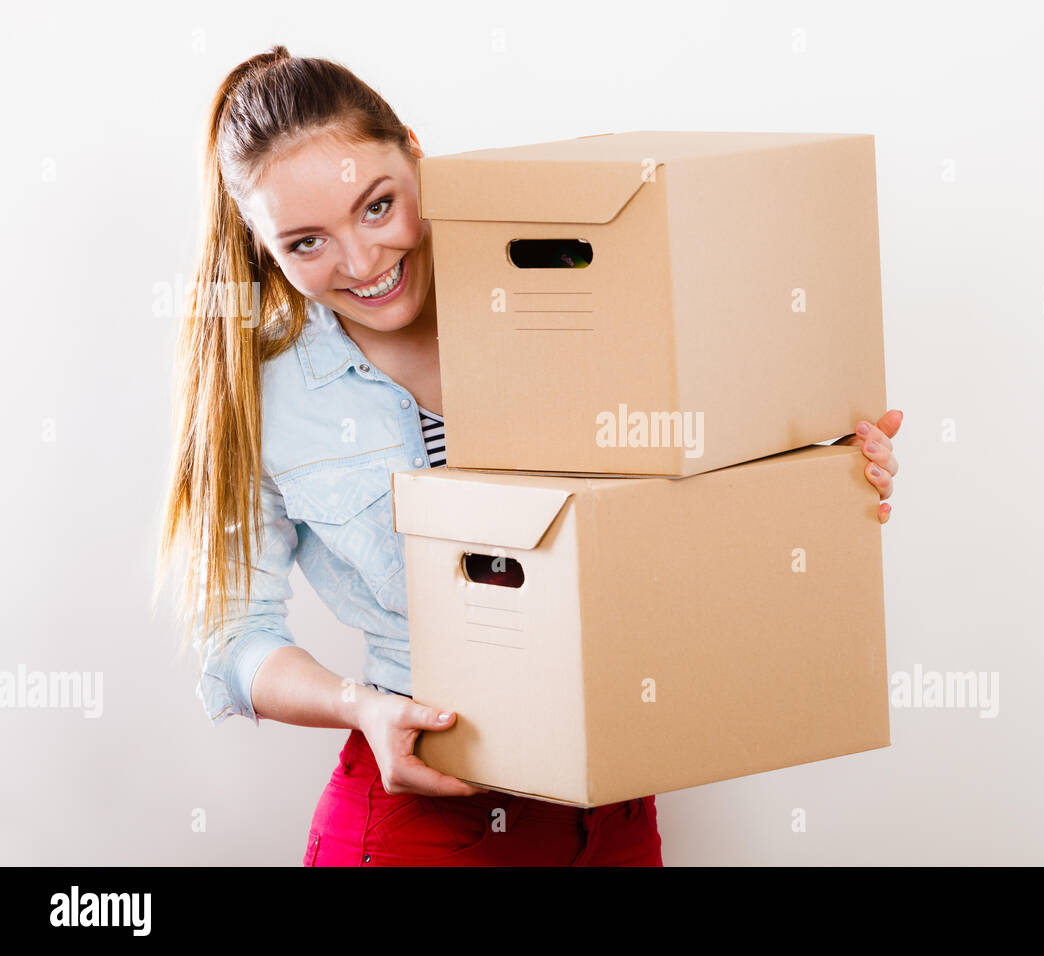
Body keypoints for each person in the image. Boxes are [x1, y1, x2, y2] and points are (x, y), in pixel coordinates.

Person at [155, 45, 904, 867]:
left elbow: (692, 479)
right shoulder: (261, 397)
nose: (362, 264)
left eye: (376, 207)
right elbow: (234, 640)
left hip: (615, 799)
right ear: (263, 246)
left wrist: (817, 471)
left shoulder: (580, 283)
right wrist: (359, 706)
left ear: (414, 150)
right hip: (424, 814)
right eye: (306, 244)